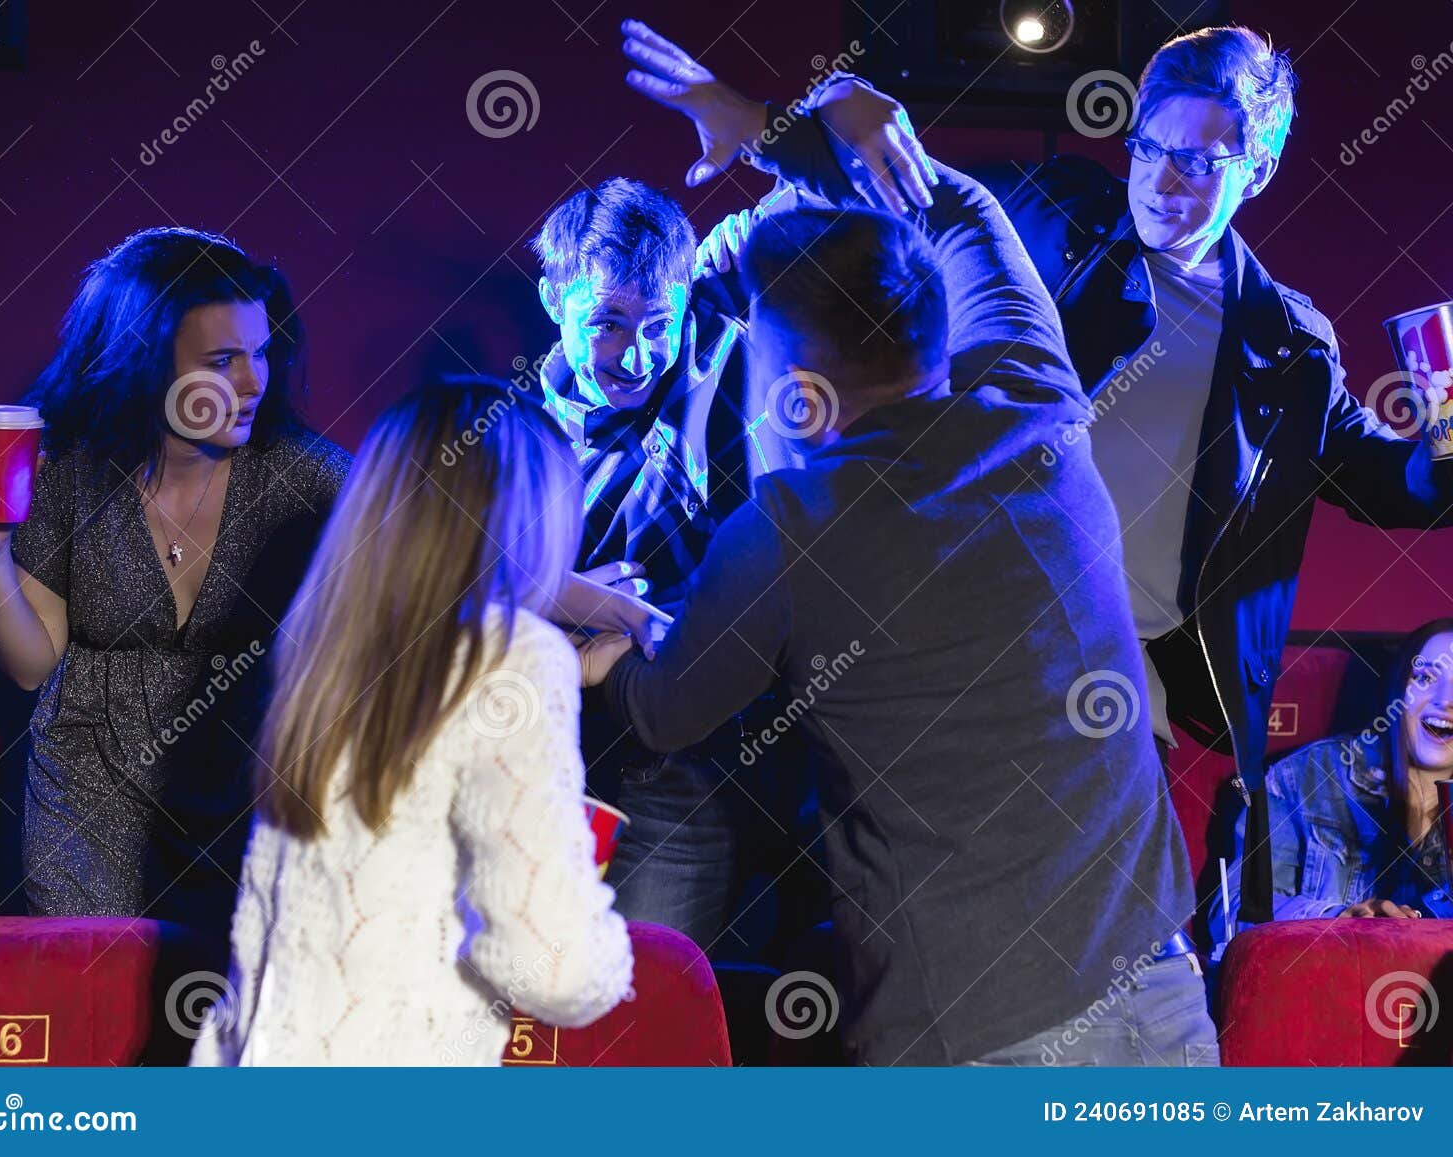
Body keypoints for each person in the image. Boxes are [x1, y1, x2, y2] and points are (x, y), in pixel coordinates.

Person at [620, 18, 1453, 931]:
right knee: (904, 934)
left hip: (1143, 708)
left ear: (1254, 172)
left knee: (1119, 969)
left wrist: (1444, 439)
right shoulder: (1056, 215)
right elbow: (917, 194)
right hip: (972, 656)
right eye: (1148, 149)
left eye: (1201, 163)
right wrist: (767, 128)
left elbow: (1392, 484)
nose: (1163, 182)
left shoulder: (1289, 344)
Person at [586, 151, 1211, 1063]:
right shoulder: (1043, 408)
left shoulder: (790, 527)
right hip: (1161, 990)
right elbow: (962, 201)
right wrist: (793, 143)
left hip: (979, 1033)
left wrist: (609, 651)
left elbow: (666, 705)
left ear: (797, 380)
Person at [191, 378, 634, 1066]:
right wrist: (598, 911)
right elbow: (557, 967)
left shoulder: (325, 643)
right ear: (528, 522)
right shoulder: (515, 654)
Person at [0, 227, 350, 936]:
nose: (255, 379)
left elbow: (449, 547)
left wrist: (607, 601)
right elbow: (31, 663)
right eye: (223, 361)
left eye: (260, 352)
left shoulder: (300, 472)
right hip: (87, 803)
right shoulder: (67, 469)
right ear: (147, 364)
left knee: (225, 1027)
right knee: (98, 1024)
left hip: (246, 802)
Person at [530, 177, 808, 949]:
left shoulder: (733, 358)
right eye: (607, 323)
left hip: (690, 765)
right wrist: (562, 597)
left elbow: (785, 576)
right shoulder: (516, 421)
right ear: (554, 300)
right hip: (547, 757)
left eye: (659, 322)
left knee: (640, 1028)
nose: (639, 353)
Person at [1216, 619, 1453, 935]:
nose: (1445, 700)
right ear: (1398, 690)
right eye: (1425, 677)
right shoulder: (1303, 776)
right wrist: (1338, 921)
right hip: (1324, 980)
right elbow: (1233, 917)